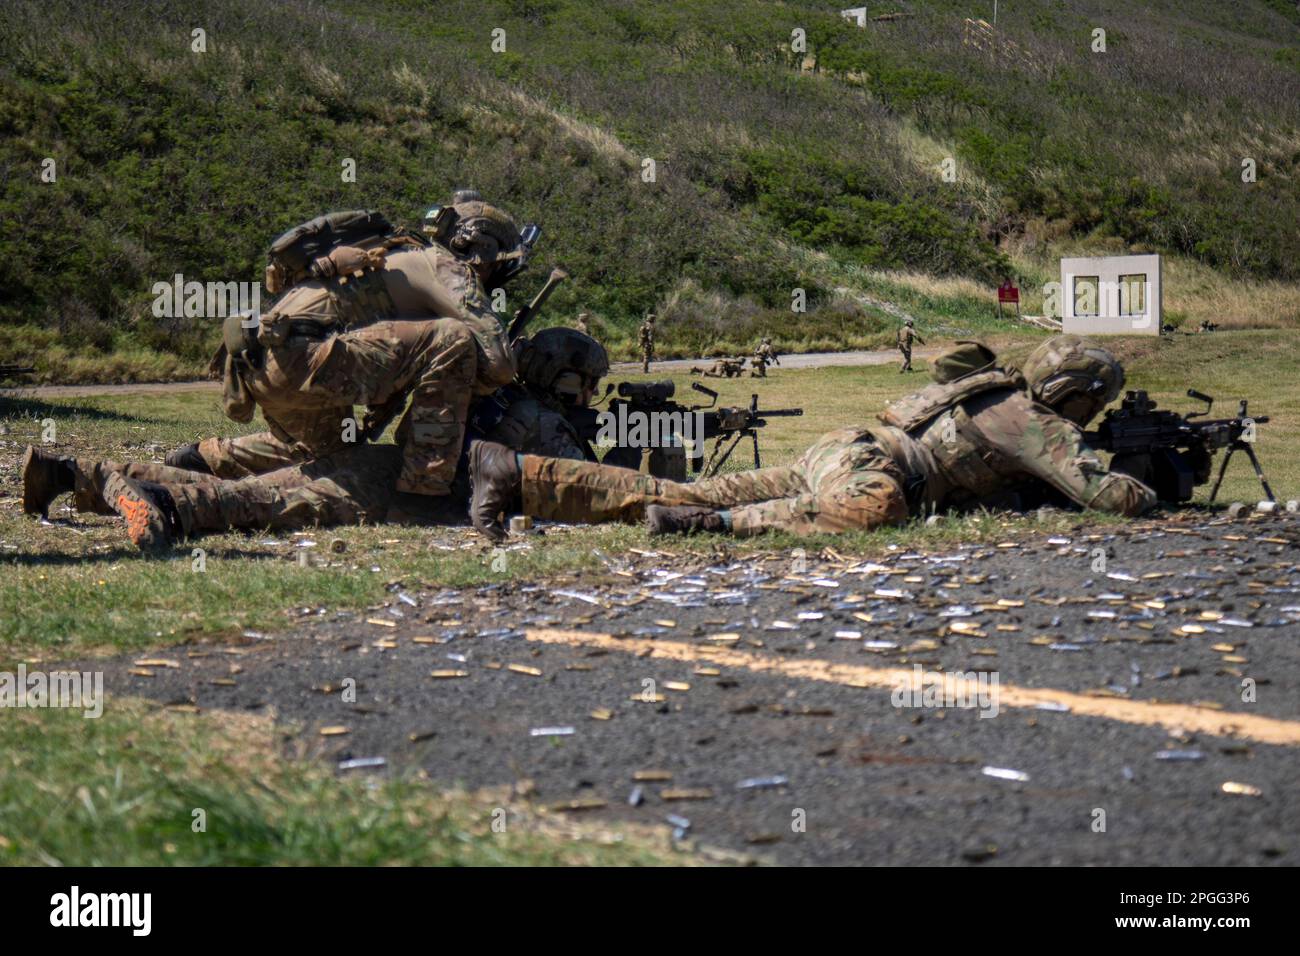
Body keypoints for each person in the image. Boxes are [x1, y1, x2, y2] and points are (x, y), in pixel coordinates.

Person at [465, 335, 1157, 541]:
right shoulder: (1030, 418)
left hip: (844, 446)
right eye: (1095, 403)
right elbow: (1108, 498)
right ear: (1073, 395)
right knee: (878, 507)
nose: (1092, 414)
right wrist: (1147, 479)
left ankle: (516, 475)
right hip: (871, 467)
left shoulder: (993, 394)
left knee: (673, 483)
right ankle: (714, 525)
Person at [168, 194, 529, 489]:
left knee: (331, 455)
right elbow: (498, 365)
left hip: (261, 364)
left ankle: (206, 459)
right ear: (480, 250)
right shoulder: (444, 265)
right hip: (303, 358)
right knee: (454, 338)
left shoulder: (394, 254)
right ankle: (424, 488)